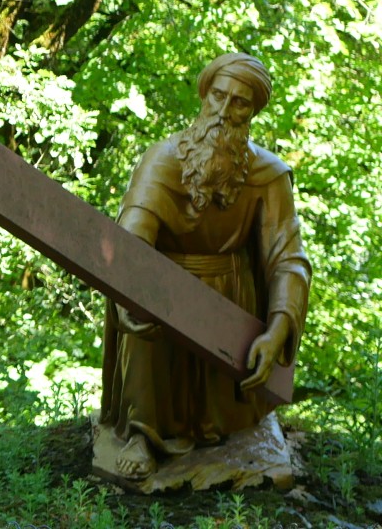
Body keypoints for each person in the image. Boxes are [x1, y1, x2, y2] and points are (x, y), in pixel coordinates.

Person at [95, 53, 310, 481]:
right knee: (145, 301)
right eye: (218, 96)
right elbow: (132, 238)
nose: (224, 112)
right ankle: (143, 433)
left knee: (236, 420)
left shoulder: (268, 174)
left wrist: (278, 327)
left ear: (253, 112)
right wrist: (135, 292)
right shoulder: (163, 160)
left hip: (231, 300)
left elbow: (288, 257)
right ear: (204, 95)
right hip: (165, 292)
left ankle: (237, 428)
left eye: (240, 103)